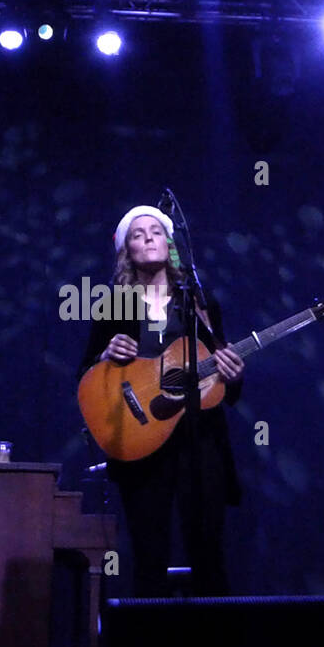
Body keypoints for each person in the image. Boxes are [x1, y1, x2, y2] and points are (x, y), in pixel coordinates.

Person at [79, 205, 244, 597]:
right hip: (141, 441)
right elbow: (84, 375)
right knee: (149, 554)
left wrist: (233, 374)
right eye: (138, 233)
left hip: (200, 439)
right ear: (126, 250)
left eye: (156, 231)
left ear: (170, 245)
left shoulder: (199, 304)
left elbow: (221, 379)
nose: (149, 237)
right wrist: (104, 357)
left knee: (208, 551)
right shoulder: (113, 305)